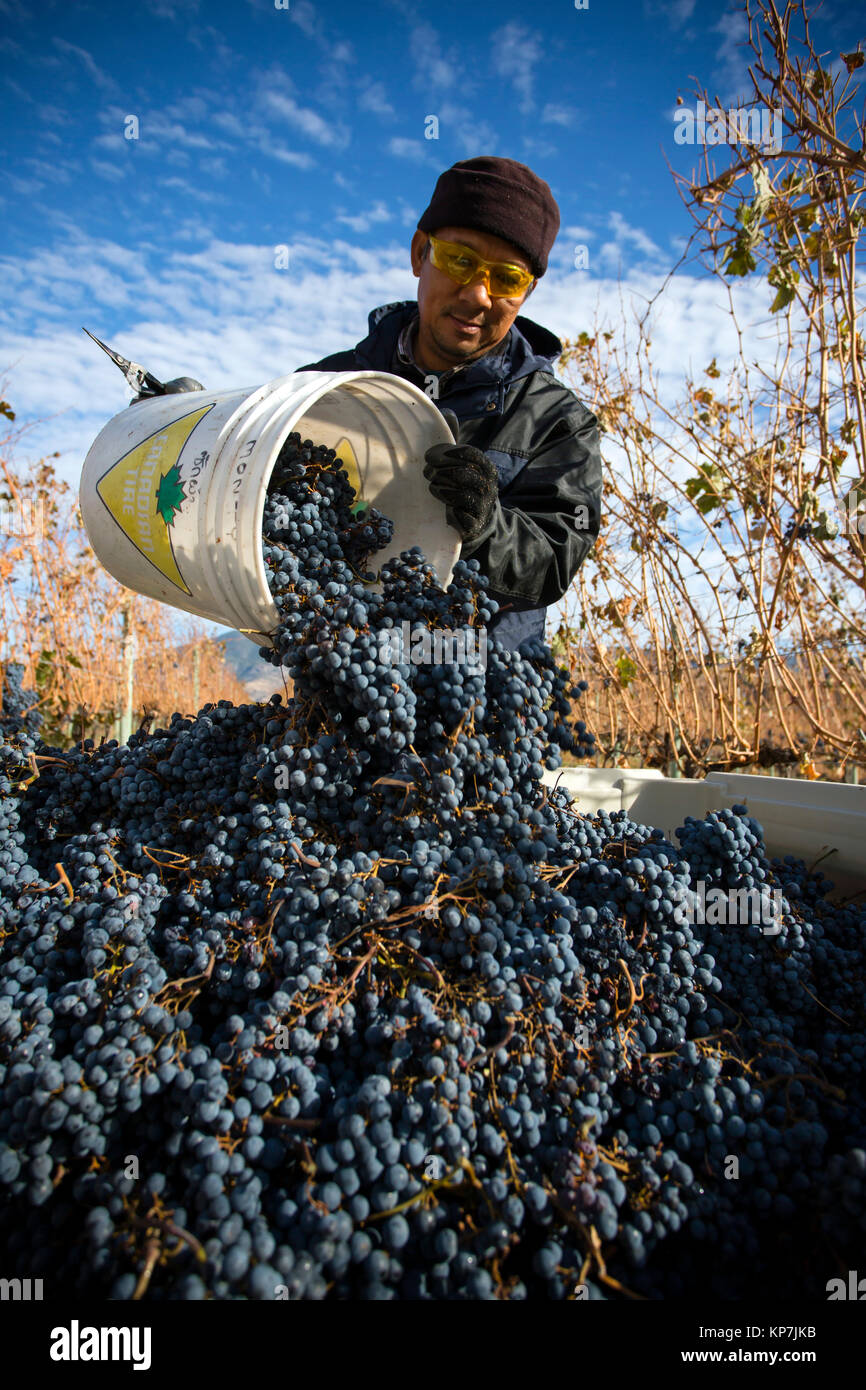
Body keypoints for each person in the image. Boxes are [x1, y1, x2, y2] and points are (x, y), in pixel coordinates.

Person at [295, 155, 602, 652]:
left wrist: (488, 527)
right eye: (459, 260)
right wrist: (199, 427)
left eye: (506, 278)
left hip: (479, 706)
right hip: (340, 681)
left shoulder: (558, 422)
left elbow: (554, 560)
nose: (479, 295)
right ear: (420, 253)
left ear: (527, 292)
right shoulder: (325, 387)